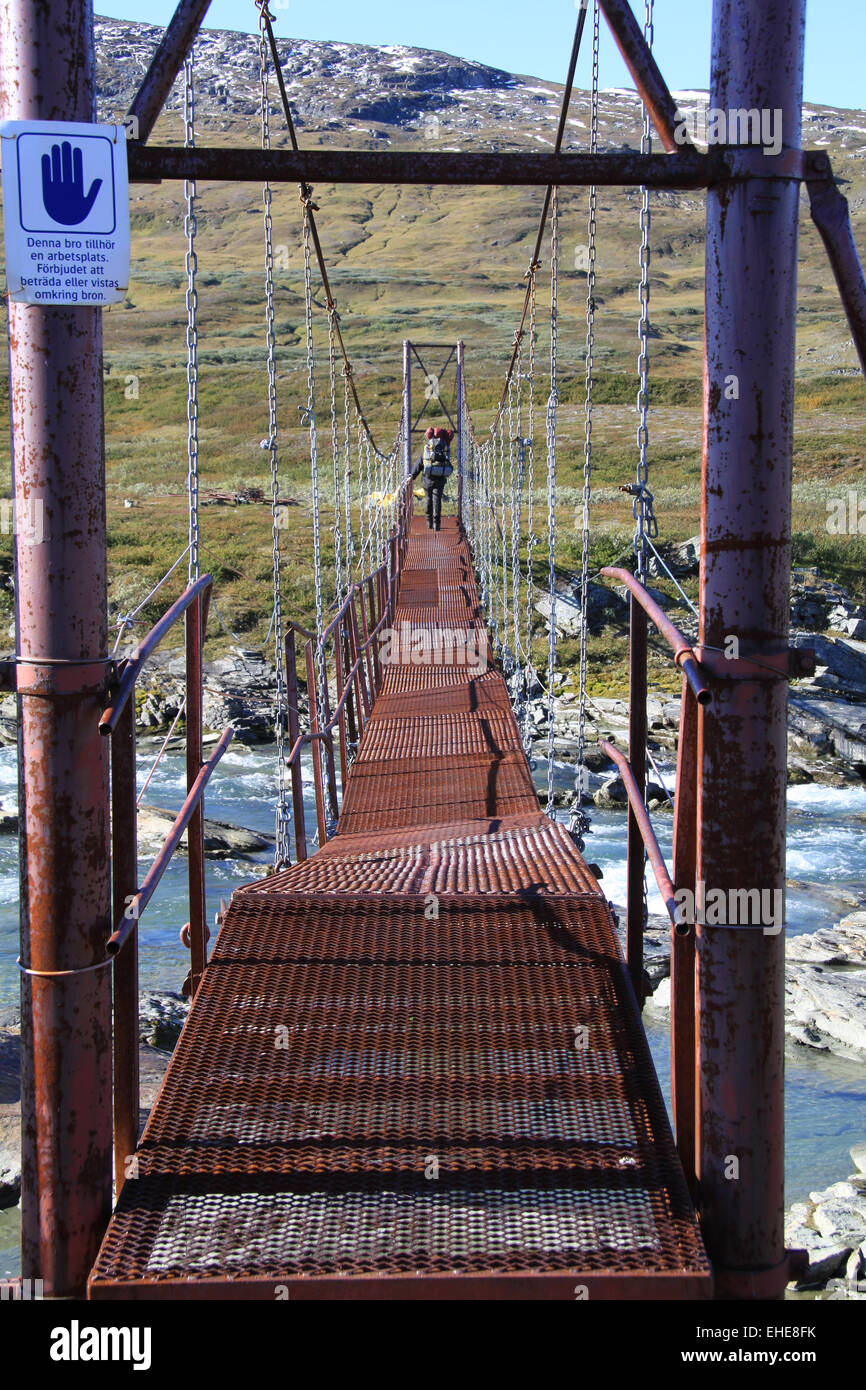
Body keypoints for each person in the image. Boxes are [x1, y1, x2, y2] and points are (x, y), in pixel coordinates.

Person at [411, 426, 454, 530]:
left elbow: (419, 464)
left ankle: (429, 522)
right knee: (437, 500)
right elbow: (449, 465)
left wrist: (411, 477)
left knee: (428, 499)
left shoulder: (428, 450)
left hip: (427, 479)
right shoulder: (444, 450)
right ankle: (437, 525)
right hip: (440, 479)